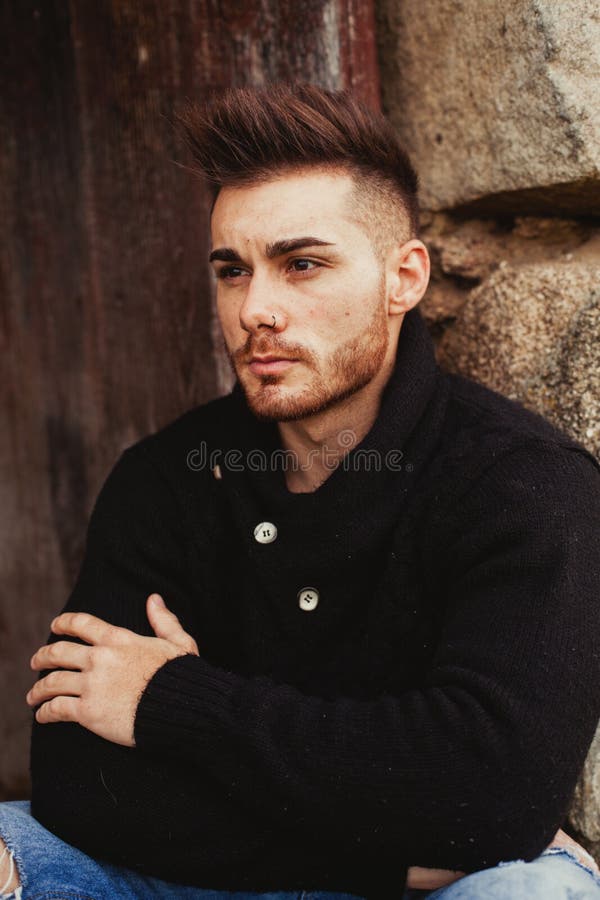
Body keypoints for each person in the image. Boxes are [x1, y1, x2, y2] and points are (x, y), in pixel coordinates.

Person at [1, 83, 600, 900]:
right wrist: (384, 857)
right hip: (305, 874)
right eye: (232, 271)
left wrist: (173, 700)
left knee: (527, 891)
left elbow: (493, 799)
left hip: (458, 881)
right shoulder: (166, 478)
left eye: (303, 264)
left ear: (405, 278)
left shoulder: (524, 482)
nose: (257, 310)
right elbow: (79, 777)